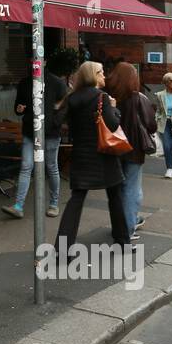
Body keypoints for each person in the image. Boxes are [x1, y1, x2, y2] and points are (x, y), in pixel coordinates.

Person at [53, 61, 130, 251]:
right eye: (101, 72)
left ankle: (63, 250)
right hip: (104, 157)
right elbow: (112, 125)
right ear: (93, 76)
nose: (104, 75)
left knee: (76, 200)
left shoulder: (72, 98)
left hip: (81, 156)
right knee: (115, 196)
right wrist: (114, 108)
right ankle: (122, 242)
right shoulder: (102, 97)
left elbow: (56, 121)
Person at [2, 68, 68, 220]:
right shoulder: (25, 83)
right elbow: (18, 107)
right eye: (30, 59)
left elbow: (65, 107)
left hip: (50, 133)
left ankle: (53, 204)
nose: (33, 62)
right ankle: (18, 206)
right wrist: (19, 109)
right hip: (30, 133)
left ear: (45, 60)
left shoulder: (57, 83)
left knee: (51, 167)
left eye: (36, 59)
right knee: (26, 166)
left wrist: (55, 122)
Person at [113, 62, 156, 238]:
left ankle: (124, 223)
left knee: (119, 188)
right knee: (132, 189)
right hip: (134, 150)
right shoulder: (139, 98)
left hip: (113, 149)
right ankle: (129, 228)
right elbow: (151, 125)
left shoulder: (109, 97)